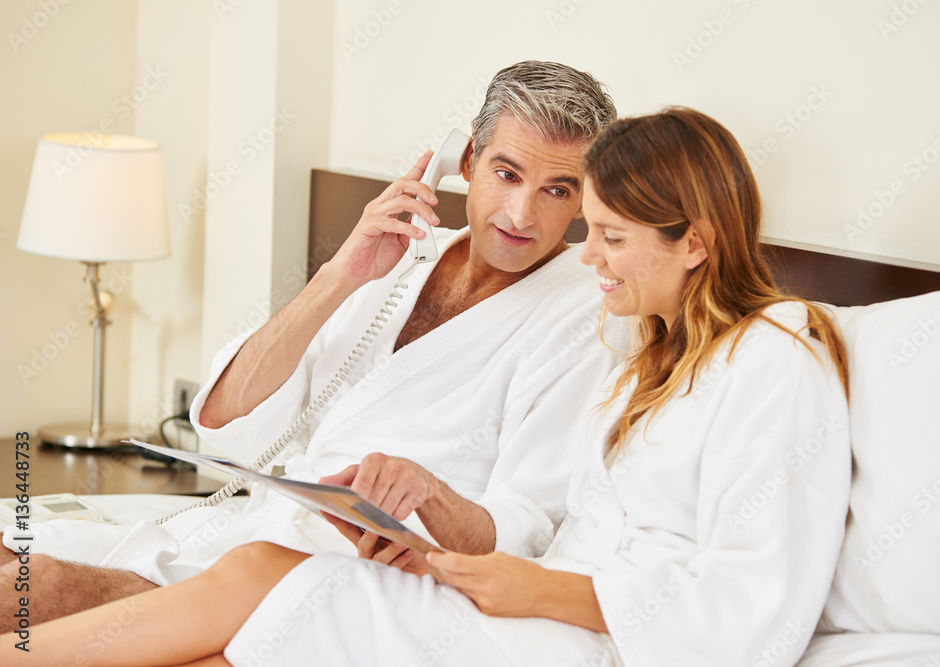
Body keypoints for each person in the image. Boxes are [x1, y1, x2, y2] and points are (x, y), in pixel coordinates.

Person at [2, 107, 853, 667]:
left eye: (603, 231)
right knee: (250, 599)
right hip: (512, 591)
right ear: (467, 162)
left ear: (695, 242)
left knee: (268, 592)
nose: (582, 252)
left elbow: (754, 608)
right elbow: (223, 423)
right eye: (590, 229)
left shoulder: (776, 355)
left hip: (583, 628)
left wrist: (525, 582)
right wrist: (445, 558)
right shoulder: (653, 357)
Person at [0, 61, 622, 630]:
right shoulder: (407, 255)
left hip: (349, 571)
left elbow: (522, 535)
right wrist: (342, 274)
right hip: (249, 527)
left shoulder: (586, 316)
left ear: (587, 199)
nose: (520, 214)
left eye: (558, 190)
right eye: (506, 173)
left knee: (35, 587)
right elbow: (224, 421)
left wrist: (427, 495)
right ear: (466, 160)